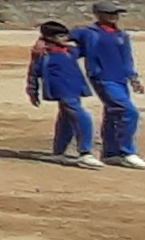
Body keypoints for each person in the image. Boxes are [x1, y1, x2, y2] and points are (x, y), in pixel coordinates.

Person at [72, 4, 145, 168]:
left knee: (114, 113)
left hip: (120, 78)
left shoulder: (121, 35)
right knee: (129, 112)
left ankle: (110, 153)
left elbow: (127, 59)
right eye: (109, 13)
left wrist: (133, 78)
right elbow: (60, 36)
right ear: (98, 14)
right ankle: (127, 151)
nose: (114, 16)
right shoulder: (88, 32)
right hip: (102, 78)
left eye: (116, 13)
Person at [26, 18, 99, 168]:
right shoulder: (44, 54)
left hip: (75, 88)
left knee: (66, 119)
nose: (66, 39)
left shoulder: (70, 51)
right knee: (82, 117)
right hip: (61, 90)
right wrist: (32, 91)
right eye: (61, 36)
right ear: (50, 38)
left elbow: (85, 43)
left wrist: (72, 35)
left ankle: (59, 151)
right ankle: (85, 152)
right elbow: (33, 73)